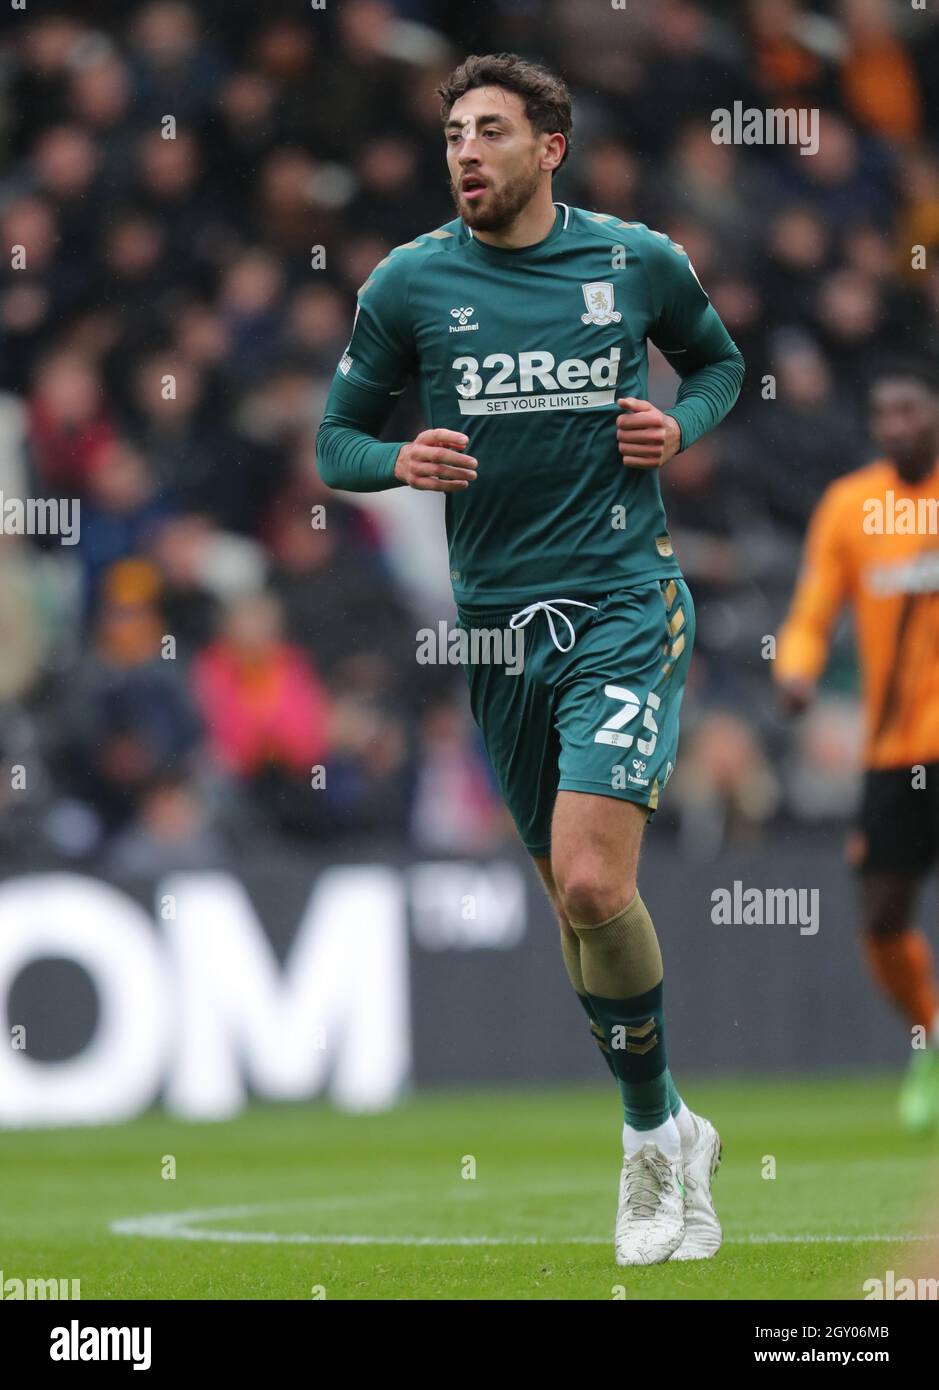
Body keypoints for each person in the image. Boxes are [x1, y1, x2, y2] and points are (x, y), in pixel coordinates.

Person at [316, 53, 745, 1264]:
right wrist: (397, 461)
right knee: (571, 896)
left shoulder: (634, 262)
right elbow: (331, 441)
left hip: (621, 598)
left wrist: (682, 425)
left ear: (549, 147)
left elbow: (721, 365)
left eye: (491, 131)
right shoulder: (408, 284)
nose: (466, 152)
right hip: (497, 628)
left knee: (598, 881)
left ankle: (650, 1138)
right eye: (454, 132)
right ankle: (670, 1127)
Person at [776, 366, 939, 1134]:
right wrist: (797, 669)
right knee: (880, 916)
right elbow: (812, 608)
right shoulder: (850, 506)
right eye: (881, 411)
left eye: (908, 407)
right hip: (892, 750)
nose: (894, 423)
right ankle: (930, 1035)